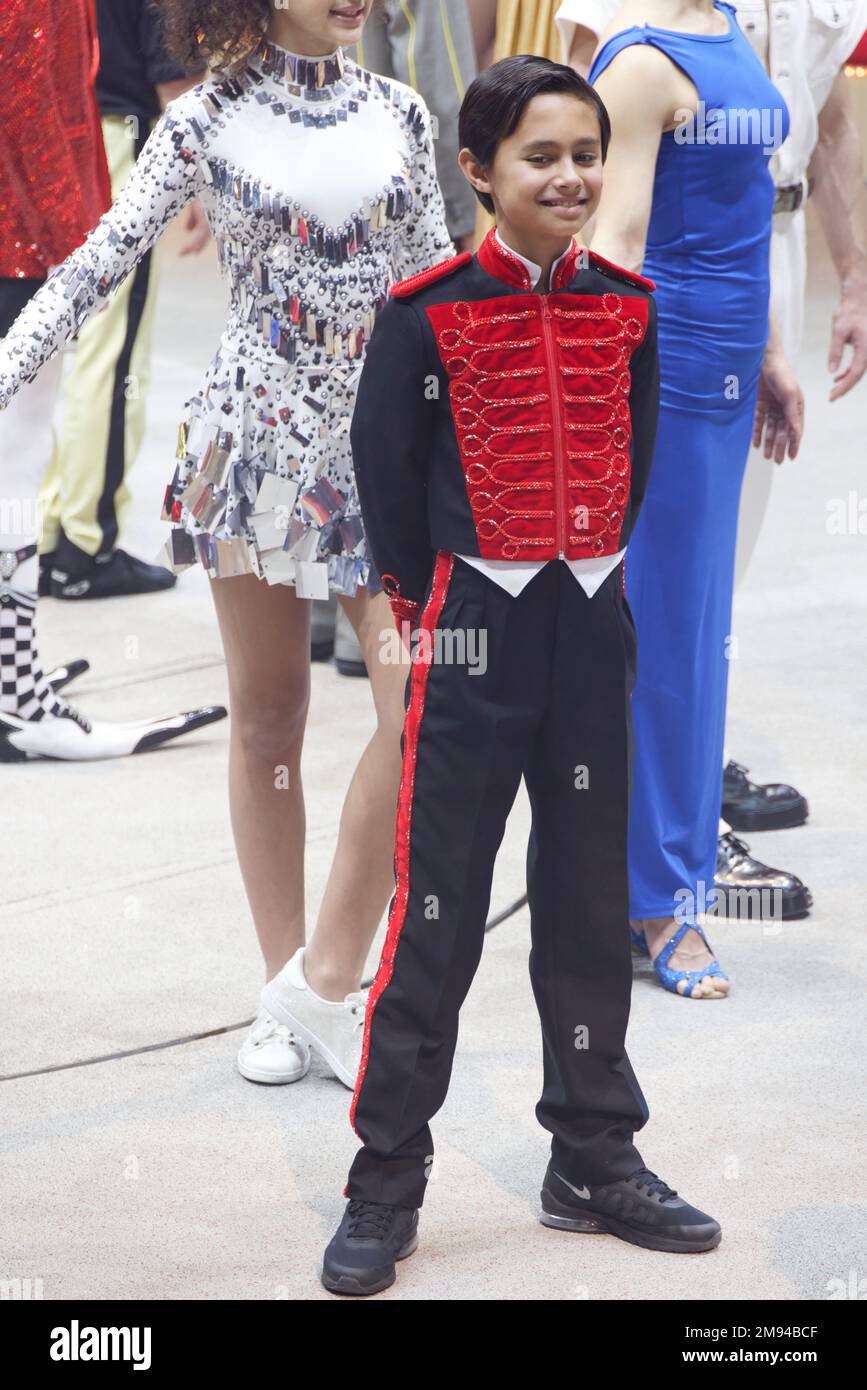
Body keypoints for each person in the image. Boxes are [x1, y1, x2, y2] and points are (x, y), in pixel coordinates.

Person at [314, 54, 721, 1297]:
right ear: (480, 170)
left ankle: (593, 1155)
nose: (572, 176)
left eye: (588, 154)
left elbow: (635, 454)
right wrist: (433, 610)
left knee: (590, 900)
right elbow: (388, 482)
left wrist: (583, 566)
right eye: (541, 156)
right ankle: (387, 1174)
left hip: (592, 625)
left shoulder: (631, 304)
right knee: (438, 908)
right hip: (471, 631)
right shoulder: (424, 311)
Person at [0, 0, 454, 1071]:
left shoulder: (400, 111)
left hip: (380, 448)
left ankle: (325, 979)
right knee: (267, 723)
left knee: (423, 709)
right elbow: (98, 263)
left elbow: (437, 283)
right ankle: (281, 989)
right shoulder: (204, 118)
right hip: (249, 448)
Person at [575, 1, 803, 995]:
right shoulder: (637, 60)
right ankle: (658, 899)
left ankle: (658, 879)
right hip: (663, 377)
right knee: (666, 643)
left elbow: (744, 203)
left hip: (729, 367)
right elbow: (618, 242)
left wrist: (771, 352)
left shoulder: (724, 22)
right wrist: (595, 404)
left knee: (701, 637)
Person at [0, 0, 225, 760]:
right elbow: (29, 82)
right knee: (16, 459)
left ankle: (11, 675)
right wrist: (76, 246)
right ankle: (16, 697)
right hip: (21, 227)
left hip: (26, 209)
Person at [38, 0, 211, 602]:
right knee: (110, 352)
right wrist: (197, 176)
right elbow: (172, 72)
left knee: (58, 346)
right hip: (111, 141)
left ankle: (48, 534)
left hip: (47, 139)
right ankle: (84, 548)